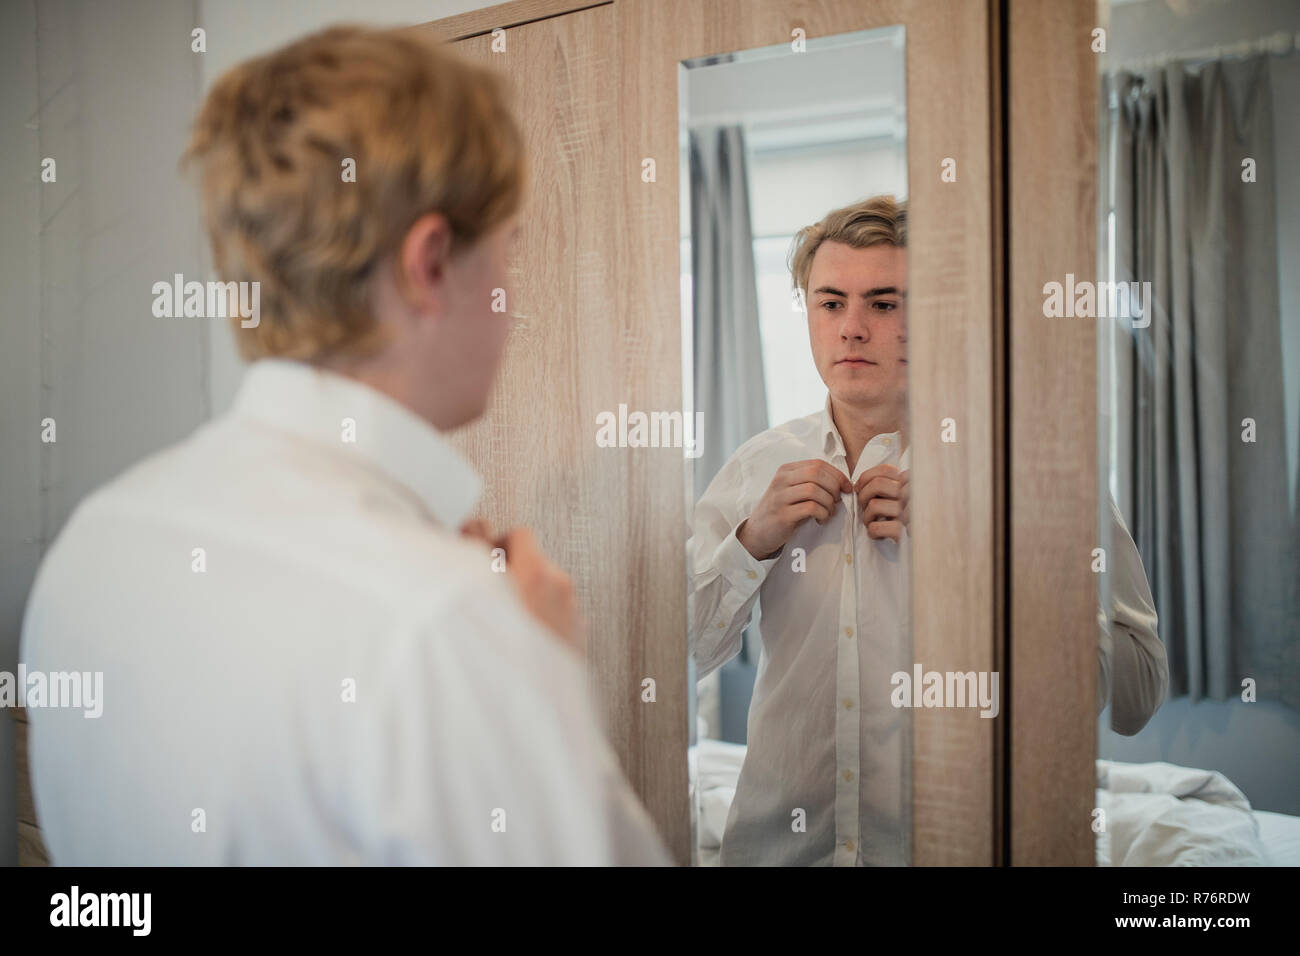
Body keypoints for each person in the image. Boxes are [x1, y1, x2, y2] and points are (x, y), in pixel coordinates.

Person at [19, 25, 669, 866]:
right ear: (430, 263)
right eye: (510, 249)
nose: (512, 298)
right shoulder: (447, 627)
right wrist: (543, 683)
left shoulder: (96, 538)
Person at [689, 195, 1167, 867]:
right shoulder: (756, 468)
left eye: (884, 304)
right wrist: (751, 540)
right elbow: (677, 659)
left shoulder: (1037, 467)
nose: (851, 329)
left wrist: (978, 554)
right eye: (830, 304)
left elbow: (1137, 692)